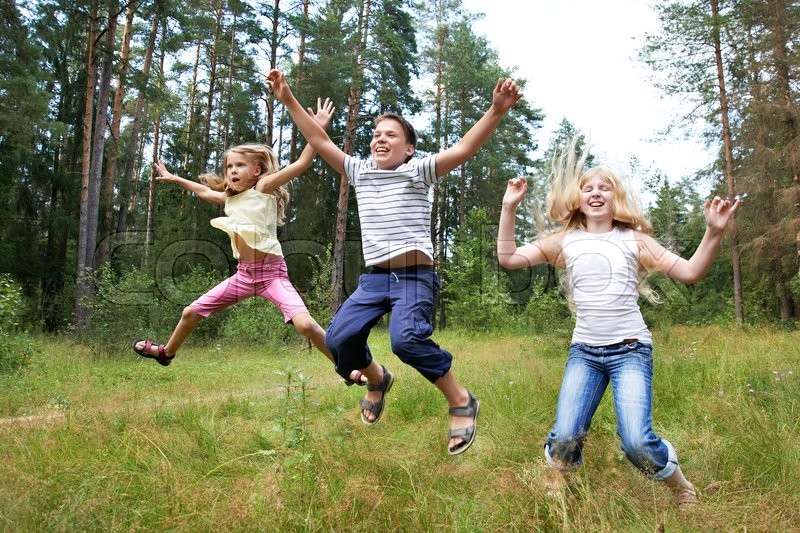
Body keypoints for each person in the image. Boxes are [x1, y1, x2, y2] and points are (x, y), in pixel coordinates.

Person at [265, 68, 522, 455]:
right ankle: (377, 378)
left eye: (391, 135)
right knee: (337, 340)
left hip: (415, 276)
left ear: (408, 149)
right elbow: (317, 138)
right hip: (375, 279)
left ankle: (461, 400)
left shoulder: (417, 172)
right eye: (375, 135)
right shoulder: (360, 172)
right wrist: (287, 98)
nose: (379, 139)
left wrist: (496, 111)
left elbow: (465, 148)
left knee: (406, 340)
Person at [496, 138, 740, 504]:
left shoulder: (634, 240)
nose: (595, 193)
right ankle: (563, 484)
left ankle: (682, 488)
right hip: (585, 353)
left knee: (637, 442)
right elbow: (509, 258)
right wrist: (508, 207)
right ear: (578, 199)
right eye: (588, 188)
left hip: (630, 350)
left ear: (615, 199)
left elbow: (690, 272)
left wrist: (714, 232)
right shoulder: (565, 241)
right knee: (564, 437)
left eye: (604, 188)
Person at [132, 98, 366, 387]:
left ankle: (343, 367)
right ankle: (166, 353)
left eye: (239, 165)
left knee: (305, 324)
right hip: (244, 276)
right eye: (229, 166)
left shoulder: (264, 188)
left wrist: (316, 126)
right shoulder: (229, 198)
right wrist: (175, 177)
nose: (232, 170)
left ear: (256, 170)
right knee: (190, 312)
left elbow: (303, 162)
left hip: (272, 275)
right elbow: (205, 192)